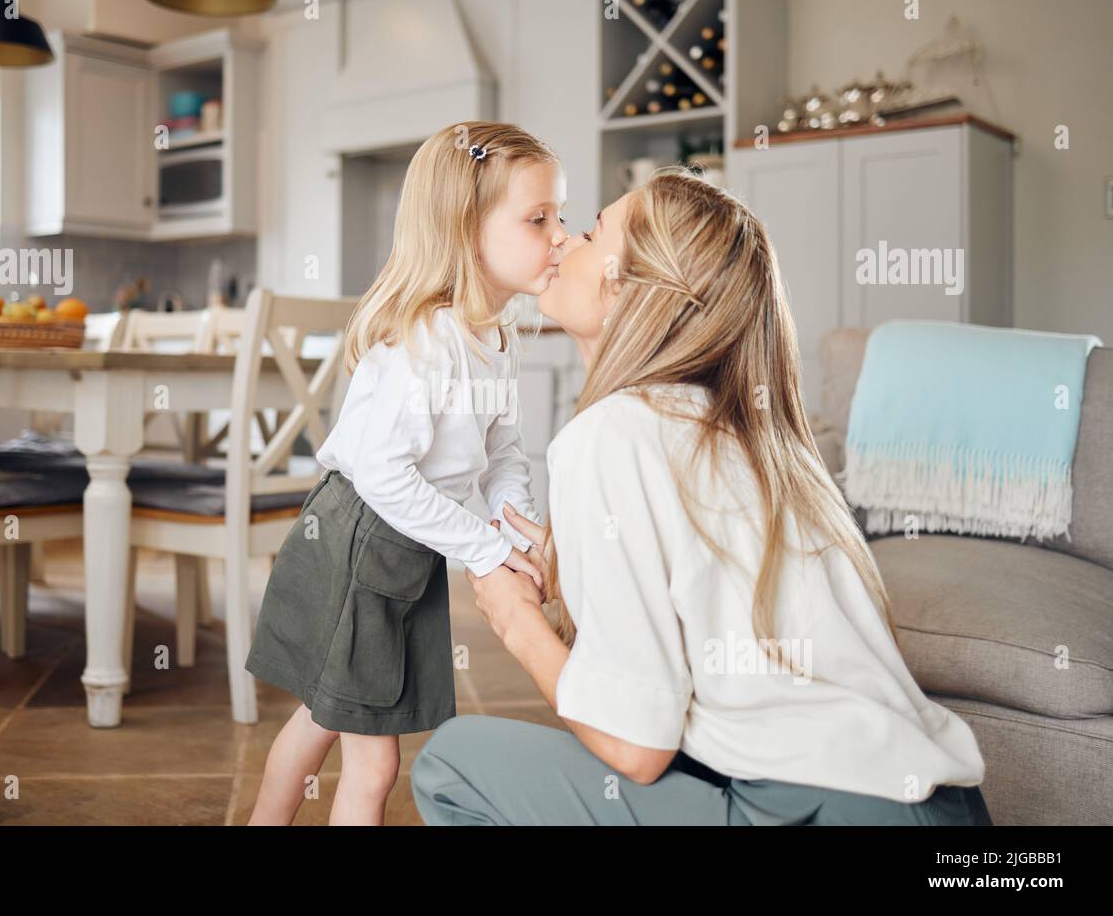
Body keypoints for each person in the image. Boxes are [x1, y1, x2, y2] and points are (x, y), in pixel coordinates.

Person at [410, 166, 993, 826]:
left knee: (453, 761)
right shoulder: (756, 436)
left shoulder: (613, 433)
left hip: (817, 812)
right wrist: (575, 562)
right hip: (944, 810)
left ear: (623, 284)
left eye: (592, 230)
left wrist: (517, 621)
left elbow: (636, 747)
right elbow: (704, 605)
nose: (564, 241)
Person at [246, 121, 564, 825]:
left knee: (319, 719)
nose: (560, 234)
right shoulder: (429, 342)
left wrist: (514, 526)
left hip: (404, 548)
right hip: (360, 541)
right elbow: (385, 478)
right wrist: (482, 547)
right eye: (538, 218)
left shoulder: (494, 337)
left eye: (560, 216)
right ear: (467, 228)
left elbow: (504, 451)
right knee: (374, 759)